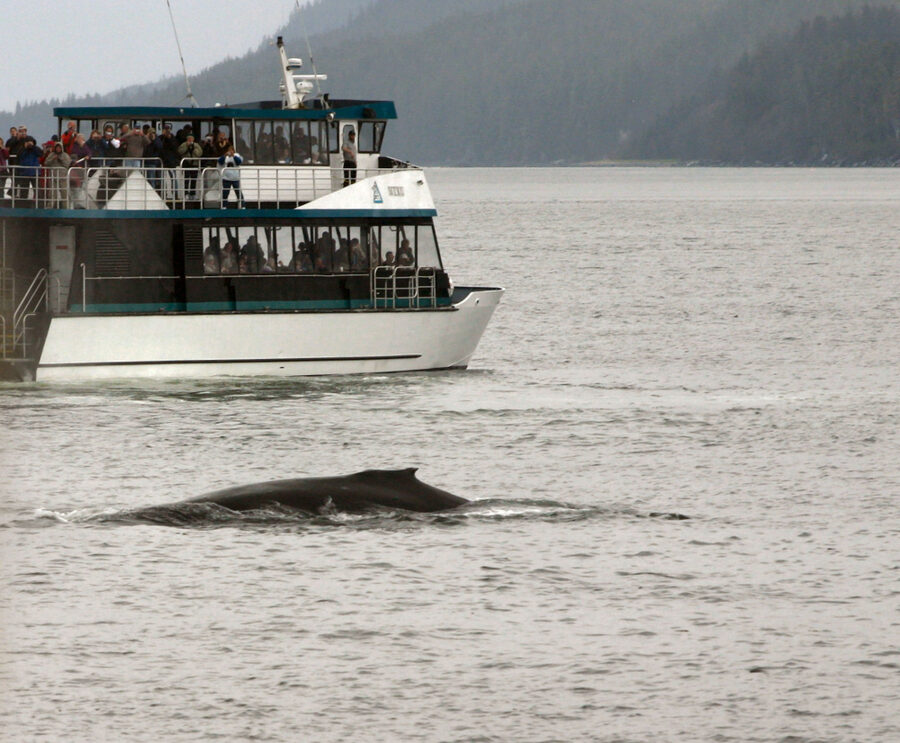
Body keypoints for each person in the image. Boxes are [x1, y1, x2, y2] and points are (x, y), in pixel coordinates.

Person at [42, 142, 71, 207]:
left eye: (59, 148)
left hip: (63, 177)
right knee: (52, 194)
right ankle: (50, 208)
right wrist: (52, 159)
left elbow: (67, 164)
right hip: (53, 177)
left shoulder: (65, 155)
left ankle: (66, 208)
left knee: (64, 193)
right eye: (57, 148)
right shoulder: (51, 155)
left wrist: (60, 160)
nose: (58, 149)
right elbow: (46, 163)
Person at [15, 138, 41, 203]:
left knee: (38, 190)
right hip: (24, 173)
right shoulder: (22, 150)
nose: (29, 144)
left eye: (30, 142)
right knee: (23, 191)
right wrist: (25, 148)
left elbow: (40, 153)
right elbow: (19, 156)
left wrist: (33, 147)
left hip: (34, 173)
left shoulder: (36, 149)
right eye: (27, 142)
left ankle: (40, 204)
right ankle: (23, 205)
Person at [177, 134, 203, 200]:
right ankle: (186, 194)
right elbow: (180, 151)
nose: (190, 140)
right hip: (186, 164)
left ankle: (192, 193)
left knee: (194, 179)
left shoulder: (196, 145)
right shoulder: (183, 145)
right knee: (186, 179)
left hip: (194, 164)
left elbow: (199, 154)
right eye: (189, 139)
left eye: (191, 139)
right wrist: (186, 147)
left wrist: (193, 148)